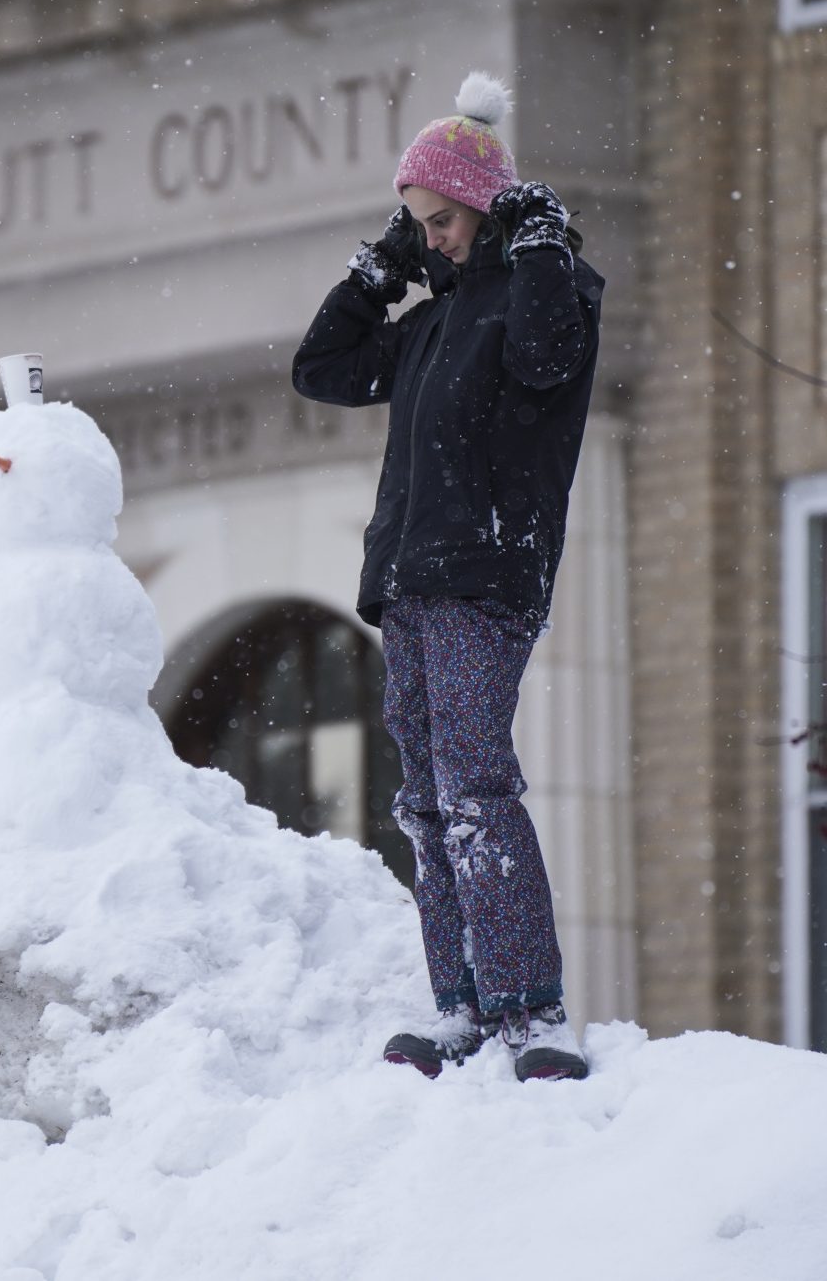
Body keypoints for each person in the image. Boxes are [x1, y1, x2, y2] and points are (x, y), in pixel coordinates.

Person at [290, 72, 605, 1083]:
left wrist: (540, 239)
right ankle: (460, 1002)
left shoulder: (540, 292)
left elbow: (550, 359)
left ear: (481, 205)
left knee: (472, 781)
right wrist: (380, 265)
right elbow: (323, 366)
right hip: (411, 579)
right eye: (414, 224)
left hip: (484, 572)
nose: (428, 239)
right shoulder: (428, 322)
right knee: (423, 800)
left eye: (438, 221)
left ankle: (531, 1007)